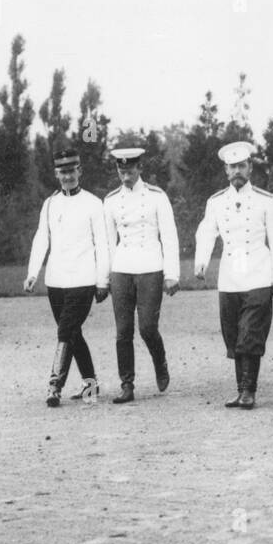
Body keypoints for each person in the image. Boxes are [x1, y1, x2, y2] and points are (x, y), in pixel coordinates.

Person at [195, 141, 273, 409]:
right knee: (233, 333)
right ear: (226, 170)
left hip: (258, 271)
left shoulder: (267, 201)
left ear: (250, 168)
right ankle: (240, 390)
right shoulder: (216, 202)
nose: (237, 170)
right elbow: (206, 232)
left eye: (241, 166)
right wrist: (201, 262)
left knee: (251, 333)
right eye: (232, 166)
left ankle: (249, 391)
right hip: (230, 274)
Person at [24, 147, 111, 407]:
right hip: (56, 280)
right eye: (62, 172)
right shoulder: (50, 203)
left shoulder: (94, 204)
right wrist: (32, 272)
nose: (67, 176)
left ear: (79, 171)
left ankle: (54, 386)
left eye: (71, 171)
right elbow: (42, 238)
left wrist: (102, 280)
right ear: (56, 174)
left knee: (65, 331)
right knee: (73, 334)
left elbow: (103, 245)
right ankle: (90, 384)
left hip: (83, 280)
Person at [104, 147, 179, 404]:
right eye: (121, 170)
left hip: (150, 267)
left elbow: (169, 236)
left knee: (147, 327)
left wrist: (172, 274)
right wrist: (104, 279)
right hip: (122, 268)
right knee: (123, 331)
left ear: (140, 168)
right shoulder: (111, 200)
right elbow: (107, 243)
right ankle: (127, 384)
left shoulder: (157, 196)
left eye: (130, 170)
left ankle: (160, 361)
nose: (125, 175)